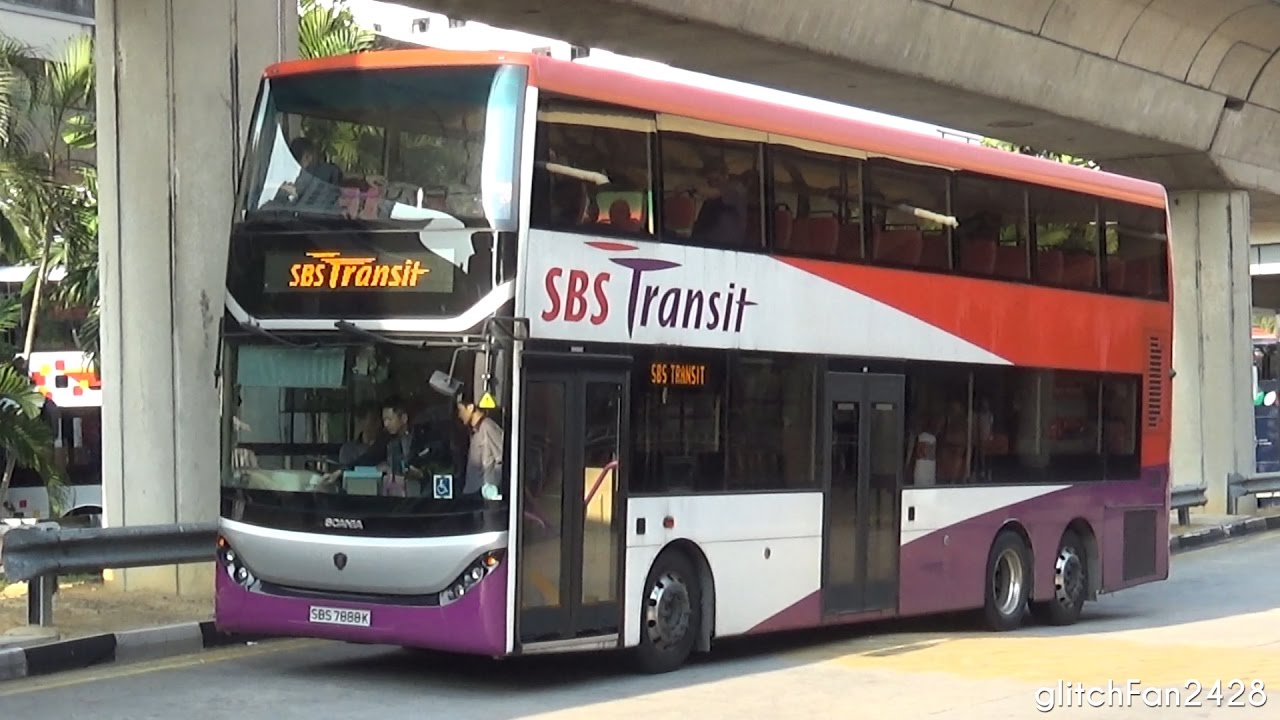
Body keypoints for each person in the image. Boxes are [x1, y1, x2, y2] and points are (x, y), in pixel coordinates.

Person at [457, 394, 504, 499]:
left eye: (460, 410)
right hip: (473, 494)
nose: (459, 415)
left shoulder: (488, 427)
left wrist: (491, 486)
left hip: (484, 497)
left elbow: (503, 458)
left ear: (470, 408)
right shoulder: (475, 431)